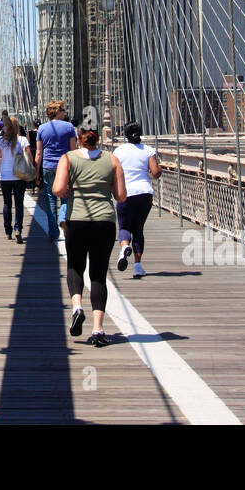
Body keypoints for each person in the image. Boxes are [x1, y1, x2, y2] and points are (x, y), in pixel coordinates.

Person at [54, 128, 125, 347]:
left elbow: (58, 189)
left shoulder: (68, 158)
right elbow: (121, 196)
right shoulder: (112, 159)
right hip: (104, 222)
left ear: (80, 141)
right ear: (97, 140)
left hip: (77, 220)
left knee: (75, 267)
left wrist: (69, 190)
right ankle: (98, 329)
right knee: (98, 274)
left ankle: (77, 307)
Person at [113, 122, 161, 277]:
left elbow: (112, 172)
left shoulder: (119, 151)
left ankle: (124, 248)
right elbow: (155, 173)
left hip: (125, 192)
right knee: (138, 229)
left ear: (125, 135)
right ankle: (138, 266)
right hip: (144, 193)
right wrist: (159, 167)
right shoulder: (148, 150)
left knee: (124, 227)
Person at [35, 100, 77, 240]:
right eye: (63, 110)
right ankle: (64, 217)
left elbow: (39, 153)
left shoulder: (41, 128)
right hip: (65, 165)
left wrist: (36, 172)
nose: (65, 112)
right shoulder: (69, 127)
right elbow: (73, 150)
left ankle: (53, 233)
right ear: (57, 112)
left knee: (50, 199)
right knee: (66, 195)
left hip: (48, 166)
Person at [0, 116, 30, 242]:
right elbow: (30, 159)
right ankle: (18, 228)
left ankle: (8, 231)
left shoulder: (0, 140)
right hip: (20, 176)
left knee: (7, 204)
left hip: (5, 176)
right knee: (19, 204)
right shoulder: (23, 140)